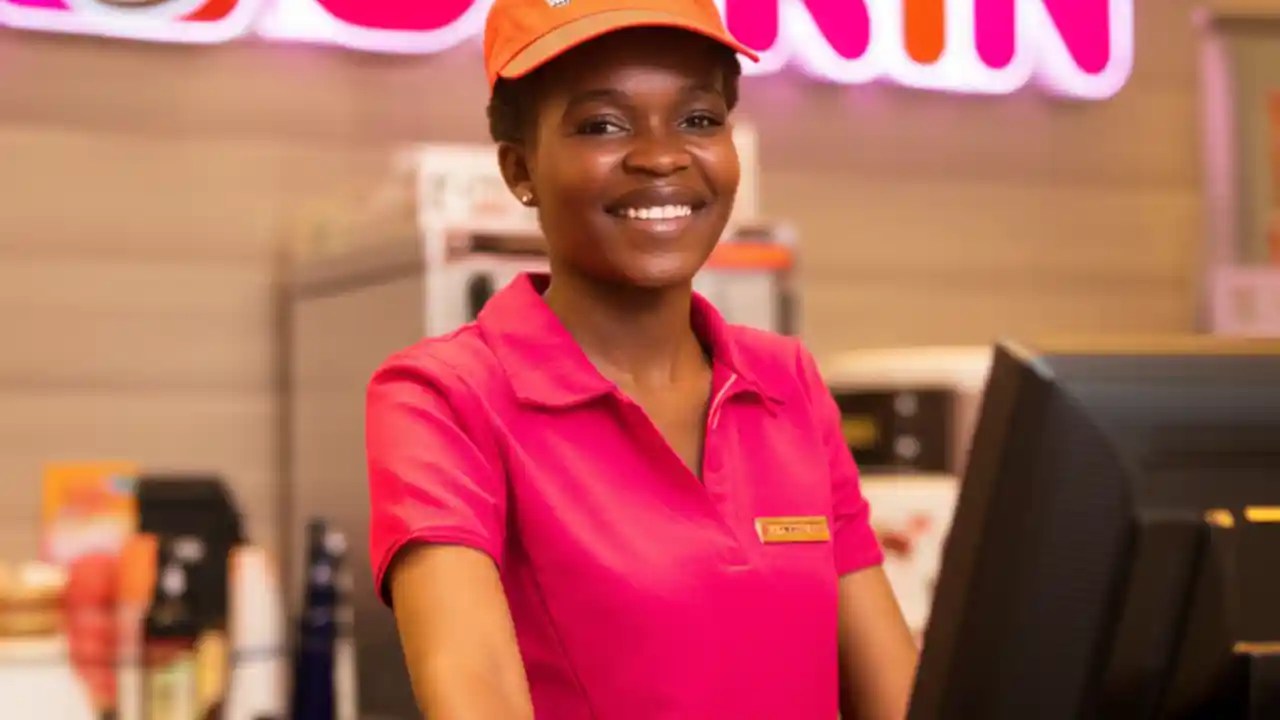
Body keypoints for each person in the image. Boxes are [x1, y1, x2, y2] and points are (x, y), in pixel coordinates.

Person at [365, 0, 919, 717]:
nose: (661, 157)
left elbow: (897, 693)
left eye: (698, 119)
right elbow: (477, 695)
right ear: (519, 169)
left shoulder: (788, 383)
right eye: (602, 124)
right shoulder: (442, 398)